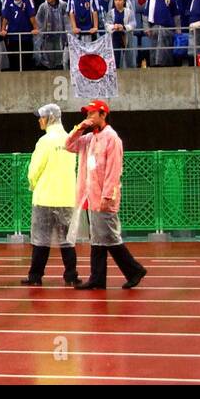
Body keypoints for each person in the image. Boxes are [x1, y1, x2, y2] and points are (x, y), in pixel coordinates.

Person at [64, 100, 148, 290]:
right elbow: (68, 145)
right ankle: (98, 278)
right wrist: (80, 128)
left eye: (91, 114)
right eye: (87, 114)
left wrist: (107, 196)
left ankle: (134, 270)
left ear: (103, 114)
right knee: (98, 239)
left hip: (104, 198)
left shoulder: (112, 138)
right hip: (90, 196)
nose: (88, 118)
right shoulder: (89, 138)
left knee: (108, 237)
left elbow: (113, 169)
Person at [21, 104, 79, 286]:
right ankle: (71, 276)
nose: (39, 120)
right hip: (67, 197)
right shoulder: (70, 139)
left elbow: (34, 169)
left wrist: (32, 184)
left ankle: (35, 277)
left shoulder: (45, 141)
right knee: (67, 241)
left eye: (41, 117)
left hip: (45, 197)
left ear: (49, 118)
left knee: (40, 241)